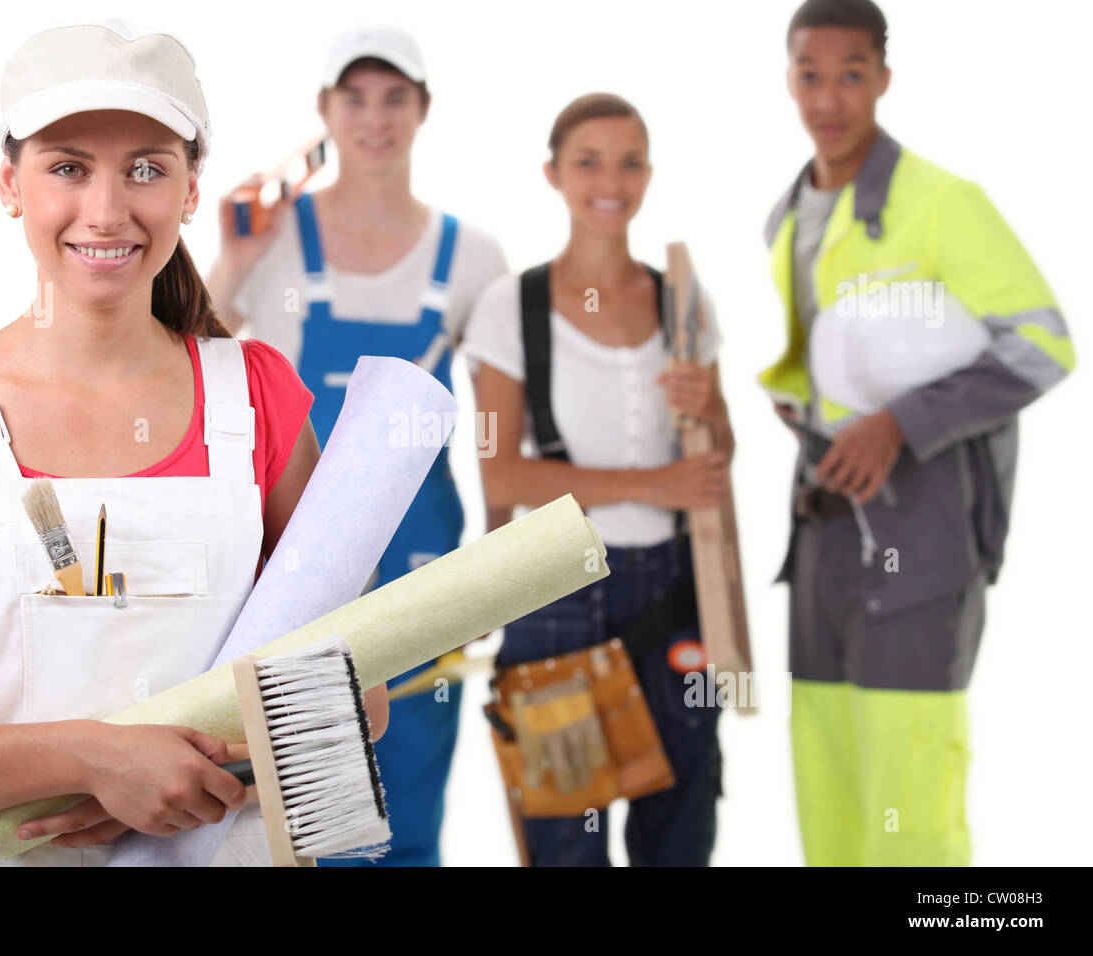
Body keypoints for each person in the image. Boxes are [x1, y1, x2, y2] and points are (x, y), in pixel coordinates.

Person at [0, 18, 387, 867]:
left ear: (192, 190)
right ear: (10, 184)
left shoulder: (258, 397)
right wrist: (94, 759)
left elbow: (365, 686)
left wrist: (169, 776)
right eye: (67, 167)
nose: (106, 210)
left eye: (146, 170)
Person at [764, 0, 1075, 866]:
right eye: (810, 74)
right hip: (819, 549)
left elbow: (1046, 345)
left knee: (911, 826)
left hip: (921, 548)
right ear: (789, 79)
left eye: (851, 74)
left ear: (883, 81)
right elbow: (815, 369)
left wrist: (901, 423)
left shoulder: (943, 203)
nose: (828, 97)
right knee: (829, 808)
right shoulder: (785, 219)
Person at [205, 25, 508, 866]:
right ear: (324, 113)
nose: (375, 119)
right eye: (356, 98)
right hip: (303, 572)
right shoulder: (272, 243)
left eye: (395, 98)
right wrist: (231, 259)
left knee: (410, 799)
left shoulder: (476, 260)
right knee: (306, 804)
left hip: (426, 570)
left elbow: (498, 431)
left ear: (423, 110)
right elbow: (188, 363)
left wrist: (496, 574)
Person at [465, 93, 734, 866]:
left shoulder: (682, 299)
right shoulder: (510, 307)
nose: (610, 180)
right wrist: (655, 483)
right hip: (555, 591)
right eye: (588, 161)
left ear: (649, 174)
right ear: (553, 173)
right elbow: (503, 468)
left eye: (629, 162)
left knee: (682, 827)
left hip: (676, 591)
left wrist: (708, 410)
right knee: (565, 834)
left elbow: (717, 463)